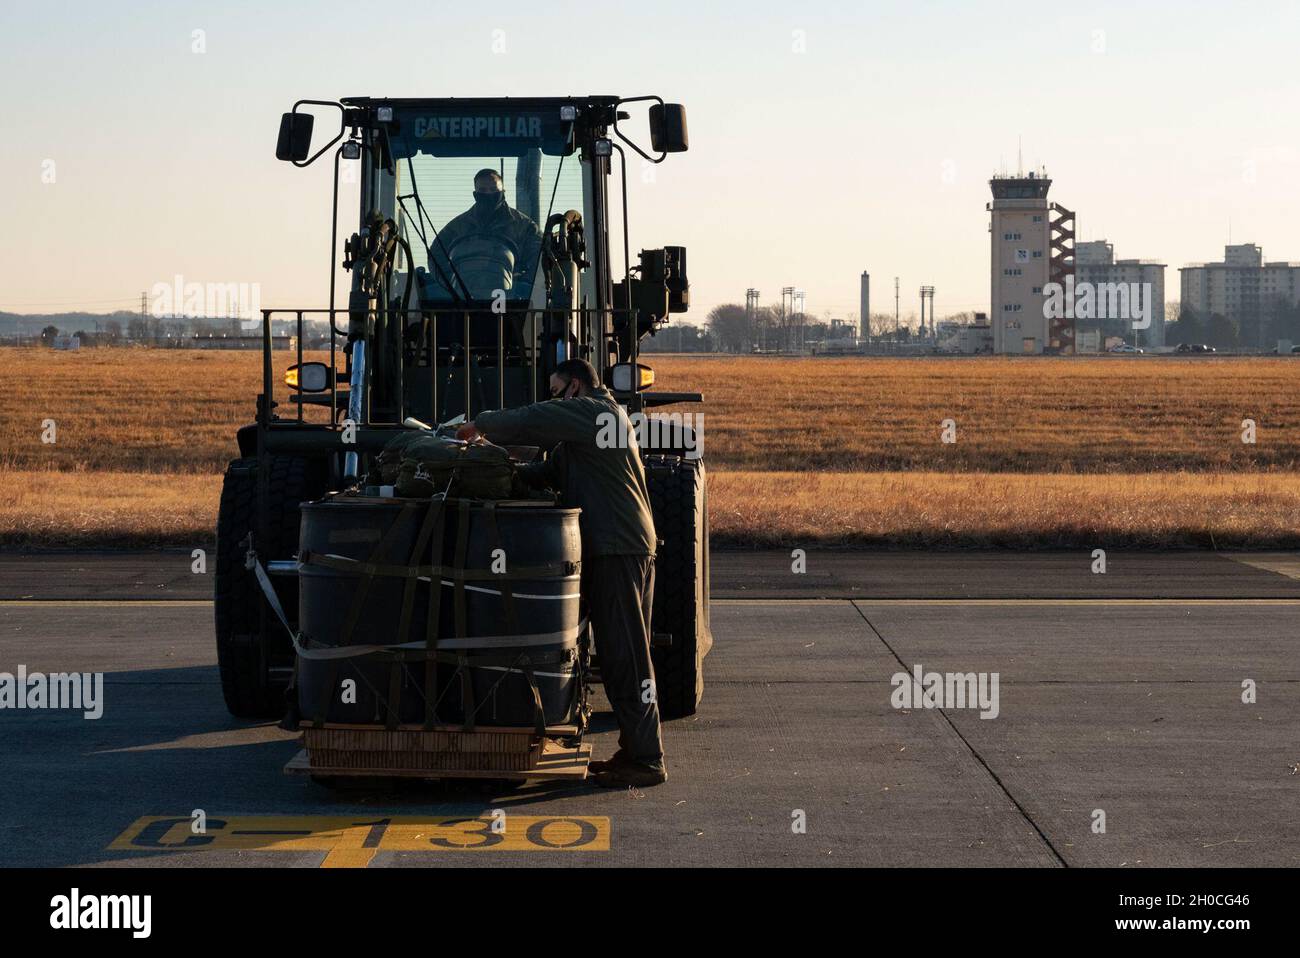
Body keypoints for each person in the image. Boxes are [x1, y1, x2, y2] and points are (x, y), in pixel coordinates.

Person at [457, 358, 666, 787]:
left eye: (555, 390)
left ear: (574, 387)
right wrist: (497, 472)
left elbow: (534, 418)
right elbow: (545, 473)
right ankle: (635, 752)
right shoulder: (583, 434)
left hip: (617, 548)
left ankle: (646, 759)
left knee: (626, 655)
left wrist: (479, 425)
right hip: (616, 546)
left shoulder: (596, 412)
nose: (552, 398)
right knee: (617, 654)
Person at [429, 169, 542, 300]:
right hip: (461, 303)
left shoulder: (524, 226)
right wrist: (451, 283)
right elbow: (435, 256)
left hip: (513, 304)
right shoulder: (457, 227)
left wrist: (521, 283)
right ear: (475, 193)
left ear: (503, 191)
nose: (488, 194)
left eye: (493, 189)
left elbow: (539, 257)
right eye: (483, 191)